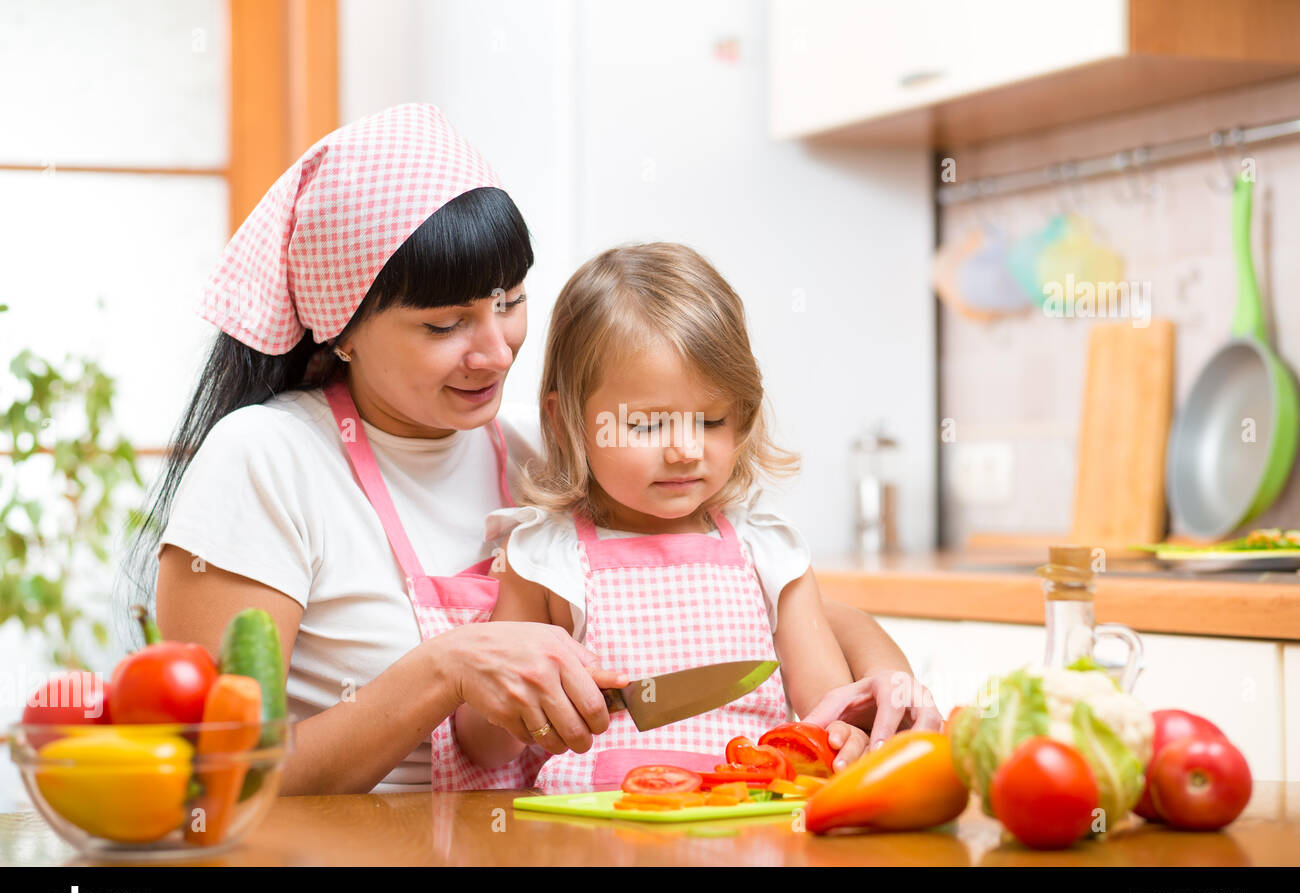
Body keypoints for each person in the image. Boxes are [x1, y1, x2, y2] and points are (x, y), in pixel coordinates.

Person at [117, 103, 939, 796]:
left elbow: (734, 598)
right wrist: (444, 669)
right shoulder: (265, 462)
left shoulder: (537, 463)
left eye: (509, 302)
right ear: (343, 329)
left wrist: (880, 680)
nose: (497, 349)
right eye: (445, 325)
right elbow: (211, 780)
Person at [449, 243, 901, 792]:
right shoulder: (544, 558)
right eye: (647, 427)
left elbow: (828, 715)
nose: (686, 449)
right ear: (566, 422)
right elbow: (483, 746)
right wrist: (522, 703)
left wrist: (846, 739)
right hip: (593, 834)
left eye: (711, 420)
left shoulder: (771, 553)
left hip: (749, 821)